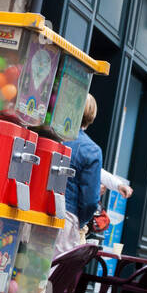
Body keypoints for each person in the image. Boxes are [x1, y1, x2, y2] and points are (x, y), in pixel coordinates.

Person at [55, 93, 102, 256]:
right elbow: (90, 201)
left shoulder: (52, 134)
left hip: (33, 209)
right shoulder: (91, 150)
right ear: (92, 115)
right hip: (66, 217)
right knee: (53, 275)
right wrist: (79, 222)